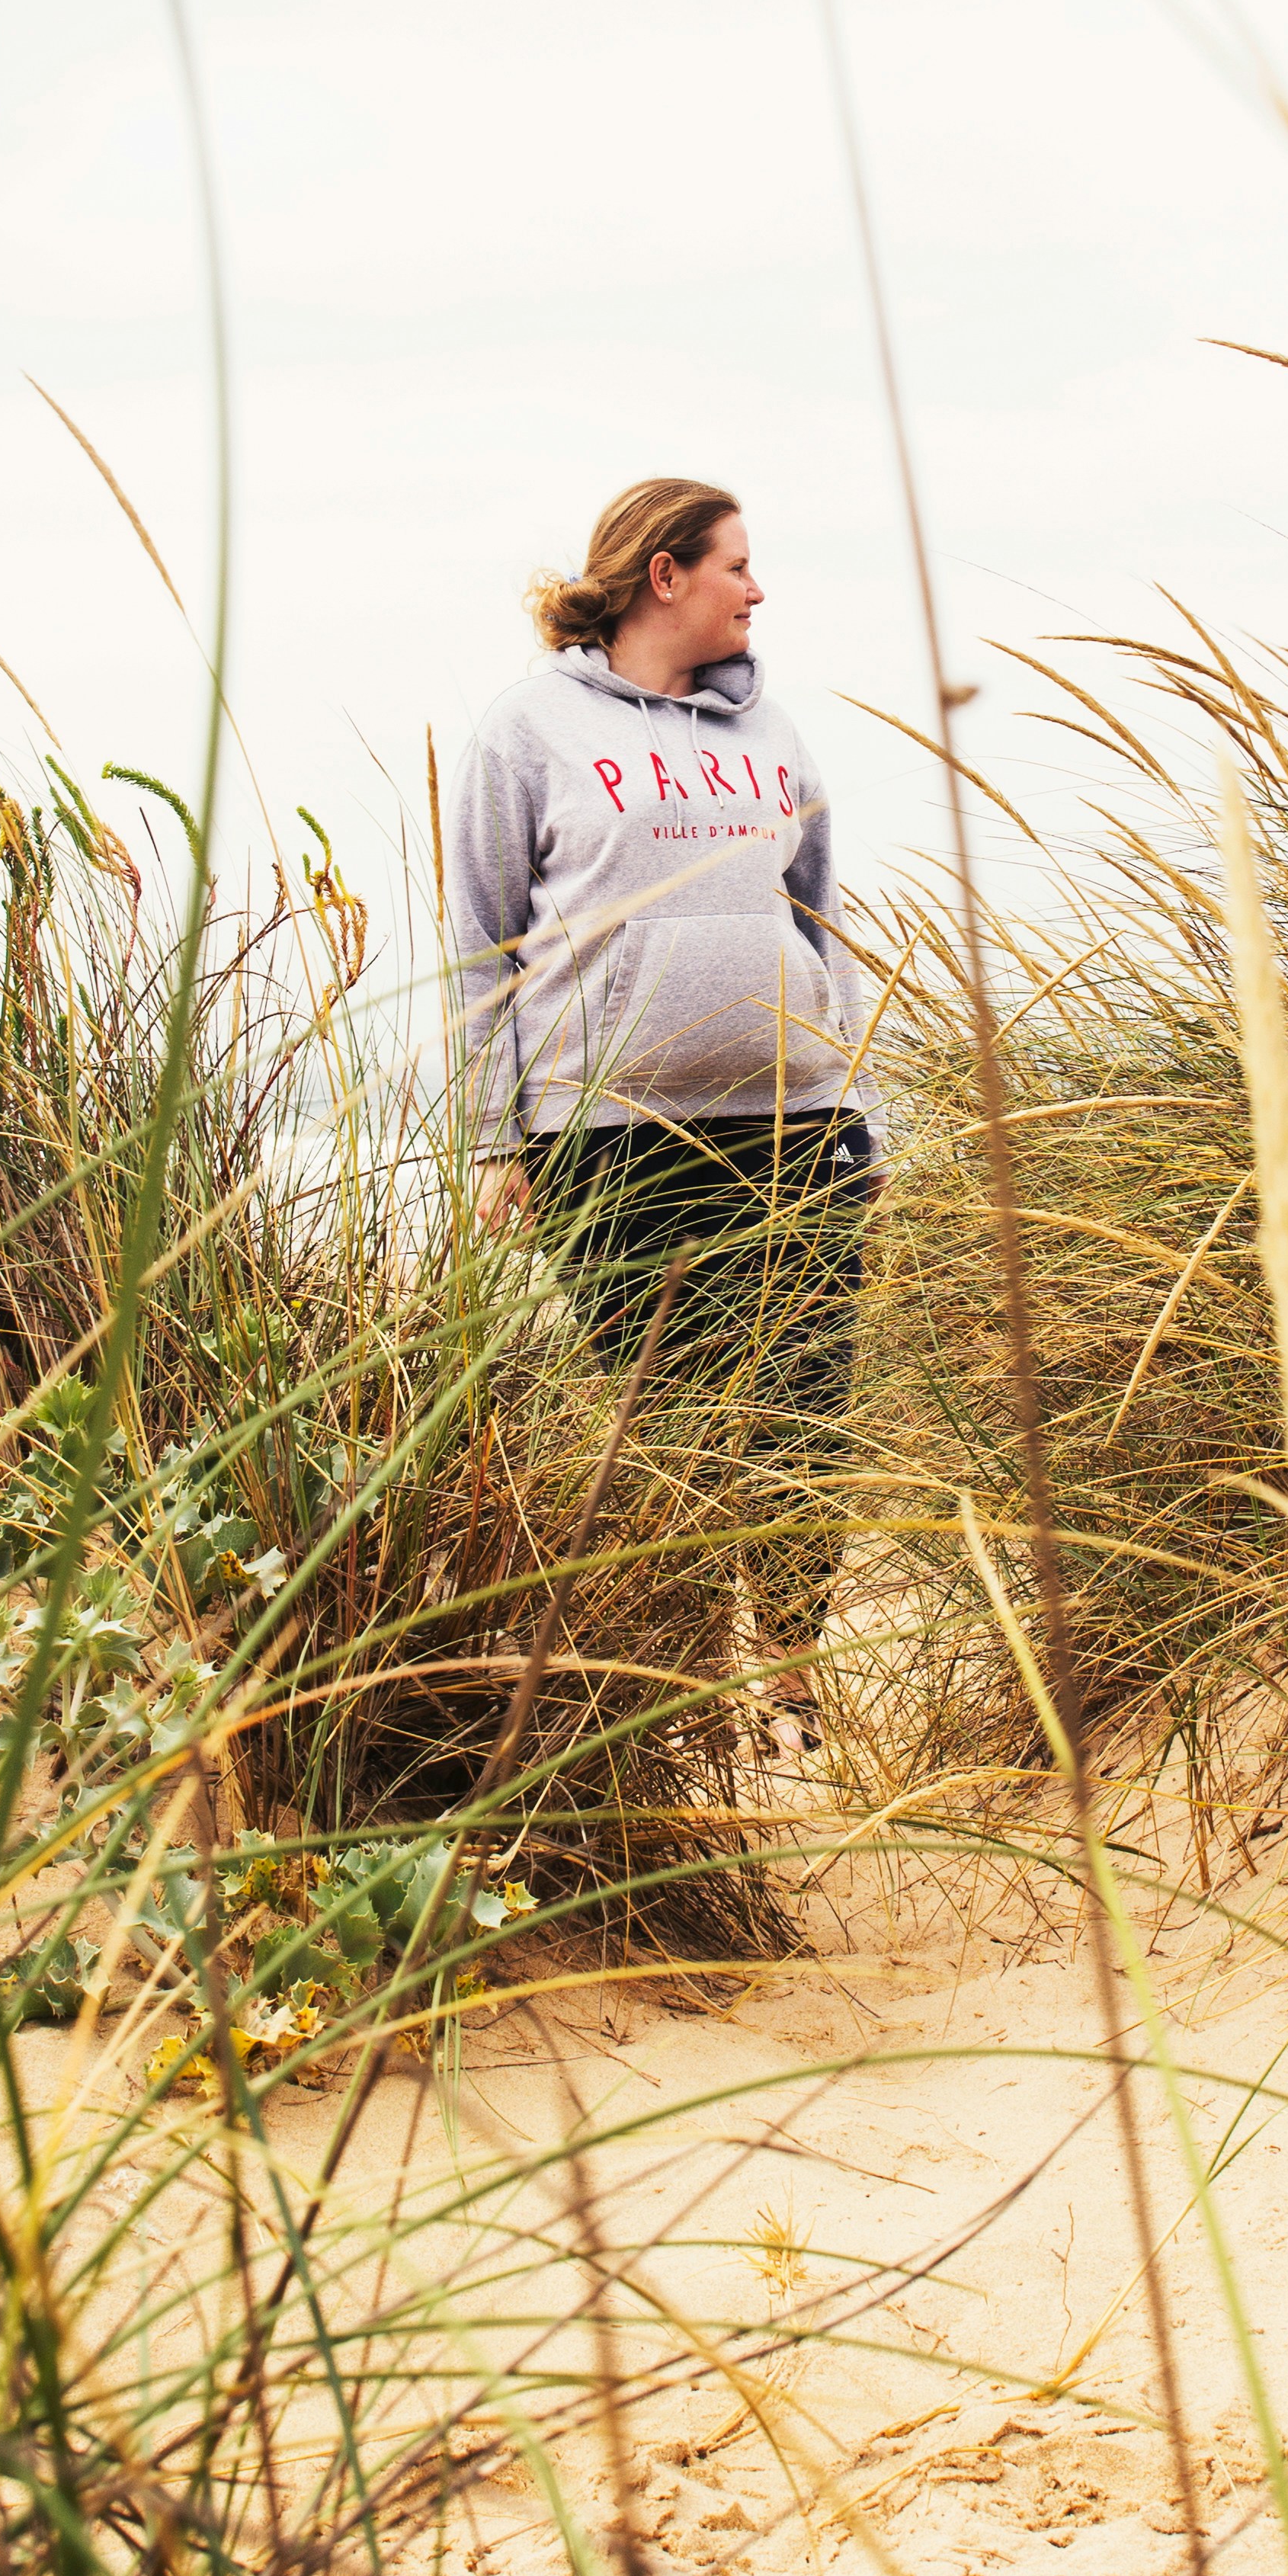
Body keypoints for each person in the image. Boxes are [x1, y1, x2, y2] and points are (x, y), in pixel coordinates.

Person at [442, 477, 879, 1754]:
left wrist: (863, 1110)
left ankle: (790, 1684)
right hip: (610, 1136)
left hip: (794, 1121)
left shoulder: (772, 733)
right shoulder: (526, 733)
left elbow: (820, 921)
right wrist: (491, 1137)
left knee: (805, 1403)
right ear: (663, 575)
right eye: (737, 565)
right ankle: (687, 1689)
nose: (759, 588)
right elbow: (480, 944)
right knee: (665, 1415)